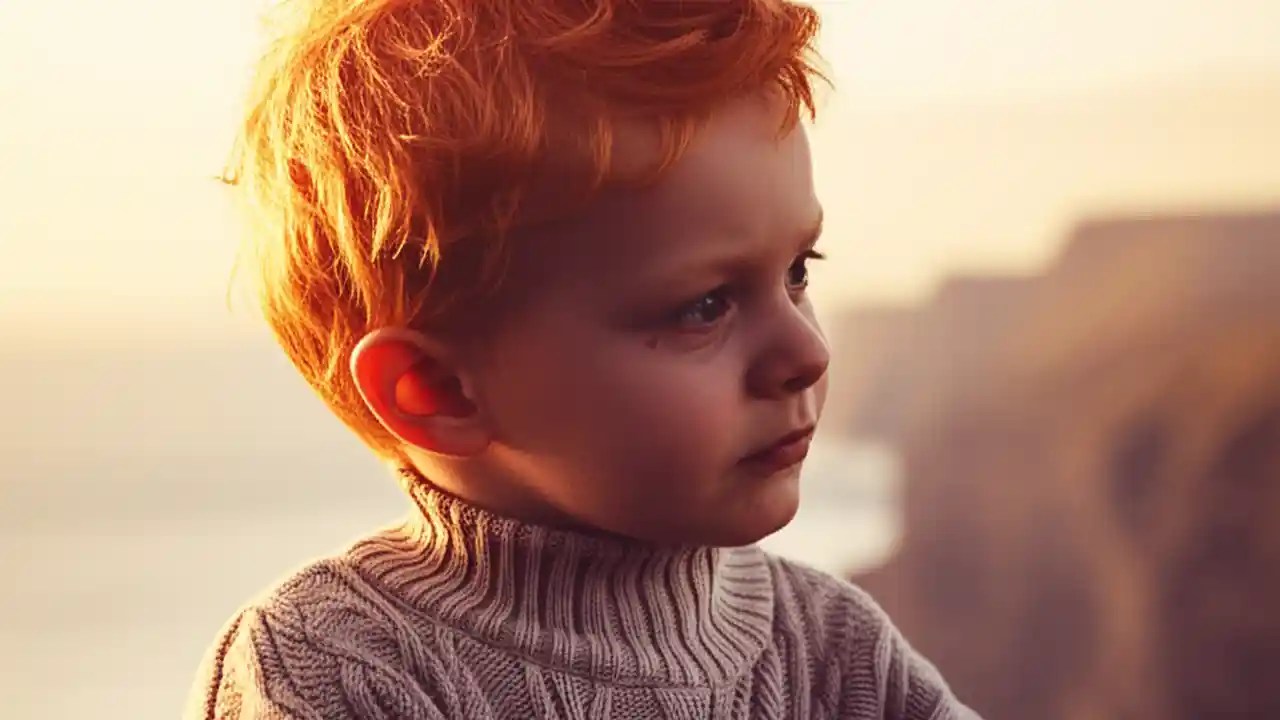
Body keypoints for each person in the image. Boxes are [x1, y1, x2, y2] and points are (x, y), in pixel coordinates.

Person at [186, 0, 980, 717]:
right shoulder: (334, 671)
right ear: (437, 389)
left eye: (798, 272)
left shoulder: (834, 651)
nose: (806, 352)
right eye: (705, 306)